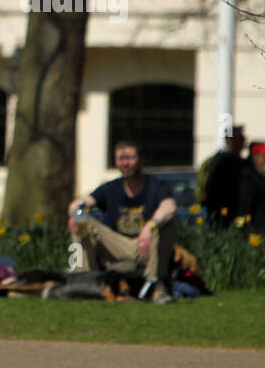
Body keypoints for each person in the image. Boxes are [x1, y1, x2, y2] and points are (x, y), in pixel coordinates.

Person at [68, 140, 177, 304]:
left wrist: (150, 226)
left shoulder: (156, 185)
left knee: (166, 225)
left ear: (141, 159)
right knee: (82, 221)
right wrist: (77, 212)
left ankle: (154, 285)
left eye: (130, 158)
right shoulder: (110, 188)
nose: (125, 163)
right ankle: (84, 278)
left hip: (146, 246)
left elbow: (169, 207)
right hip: (118, 246)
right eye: (121, 159)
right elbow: (83, 202)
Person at [203, 124, 246, 225]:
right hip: (225, 217)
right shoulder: (223, 163)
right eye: (239, 139)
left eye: (243, 138)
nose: (243, 142)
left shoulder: (241, 162)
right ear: (229, 141)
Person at [238, 141, 265, 231]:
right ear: (255, 156)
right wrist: (241, 226)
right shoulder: (249, 177)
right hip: (258, 225)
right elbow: (244, 204)